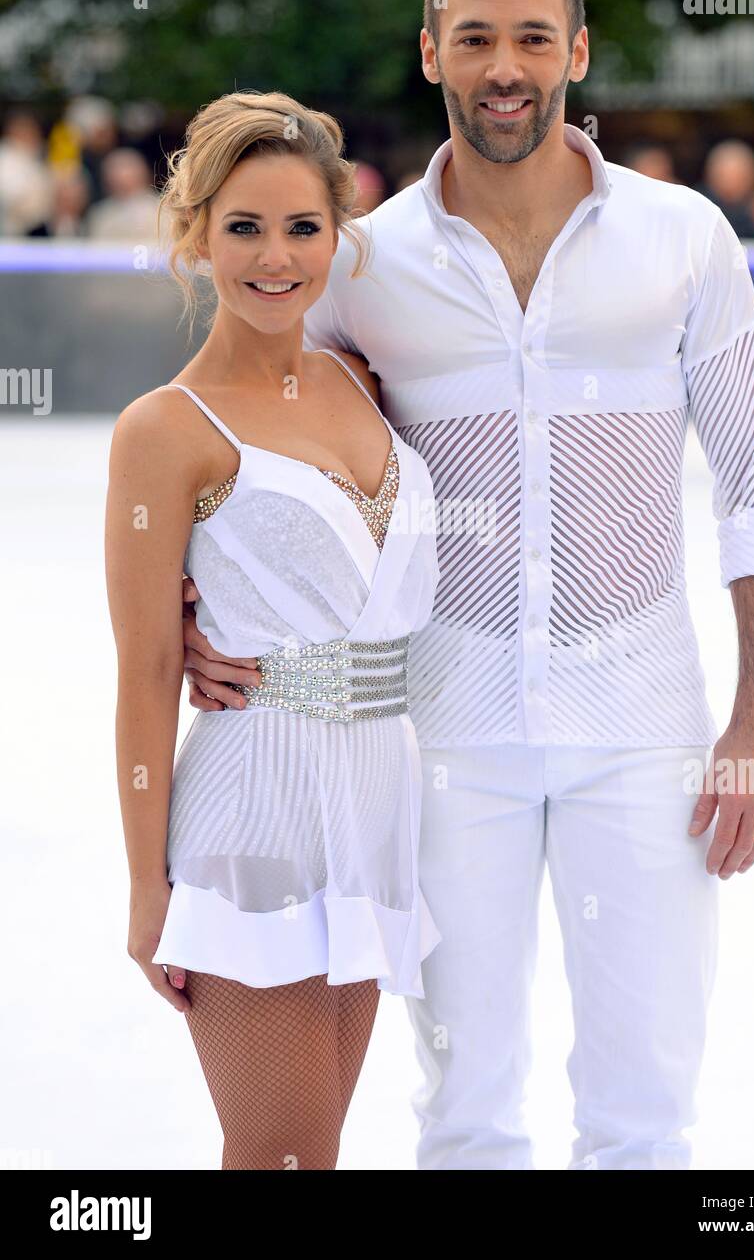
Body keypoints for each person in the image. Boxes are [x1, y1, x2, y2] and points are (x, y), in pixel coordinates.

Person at [181, 0, 754, 1170]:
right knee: (465, 1112)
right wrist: (190, 618)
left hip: (644, 726)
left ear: (576, 48)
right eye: (474, 38)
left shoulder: (681, 239)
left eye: (532, 35)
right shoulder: (365, 263)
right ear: (431, 53)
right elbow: (245, 437)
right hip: (443, 735)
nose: (503, 66)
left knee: (643, 1114)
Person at [104, 90, 441, 1170]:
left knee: (315, 1157)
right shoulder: (164, 430)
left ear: (338, 236)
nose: (275, 256)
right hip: (256, 810)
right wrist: (146, 888)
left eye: (302, 226)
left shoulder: (358, 377)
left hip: (377, 800)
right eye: (243, 226)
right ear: (195, 235)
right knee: (279, 1157)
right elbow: (150, 667)